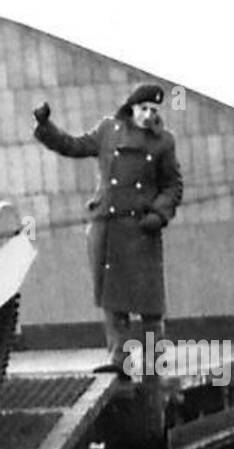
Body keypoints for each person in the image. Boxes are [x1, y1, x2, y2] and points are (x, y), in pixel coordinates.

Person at [32, 83, 184, 372]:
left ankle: (154, 360)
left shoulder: (163, 142)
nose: (148, 115)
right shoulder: (108, 131)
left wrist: (159, 214)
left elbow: (173, 185)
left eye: (153, 110)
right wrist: (45, 126)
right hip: (107, 224)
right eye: (143, 109)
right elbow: (73, 146)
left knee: (149, 302)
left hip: (142, 227)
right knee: (112, 300)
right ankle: (119, 358)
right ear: (131, 108)